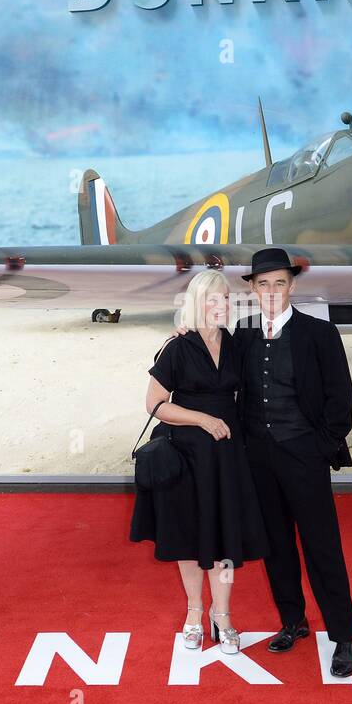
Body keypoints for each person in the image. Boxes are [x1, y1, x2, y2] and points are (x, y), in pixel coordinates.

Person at [233, 247, 352, 678]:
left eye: (279, 283)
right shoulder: (243, 332)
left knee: (321, 545)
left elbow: (340, 398)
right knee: (276, 544)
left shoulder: (319, 334)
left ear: (292, 286)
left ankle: (342, 635)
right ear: (252, 288)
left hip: (304, 455)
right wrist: (183, 336)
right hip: (258, 456)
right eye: (263, 284)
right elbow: (227, 382)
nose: (271, 291)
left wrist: (320, 446)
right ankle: (293, 621)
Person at [130, 269, 269, 655]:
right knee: (189, 539)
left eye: (225, 298)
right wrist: (203, 419)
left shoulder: (236, 344)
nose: (220, 305)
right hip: (187, 457)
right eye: (212, 298)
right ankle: (194, 613)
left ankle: (221, 614)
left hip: (227, 457)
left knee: (225, 538)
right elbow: (155, 404)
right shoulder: (176, 348)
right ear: (195, 302)